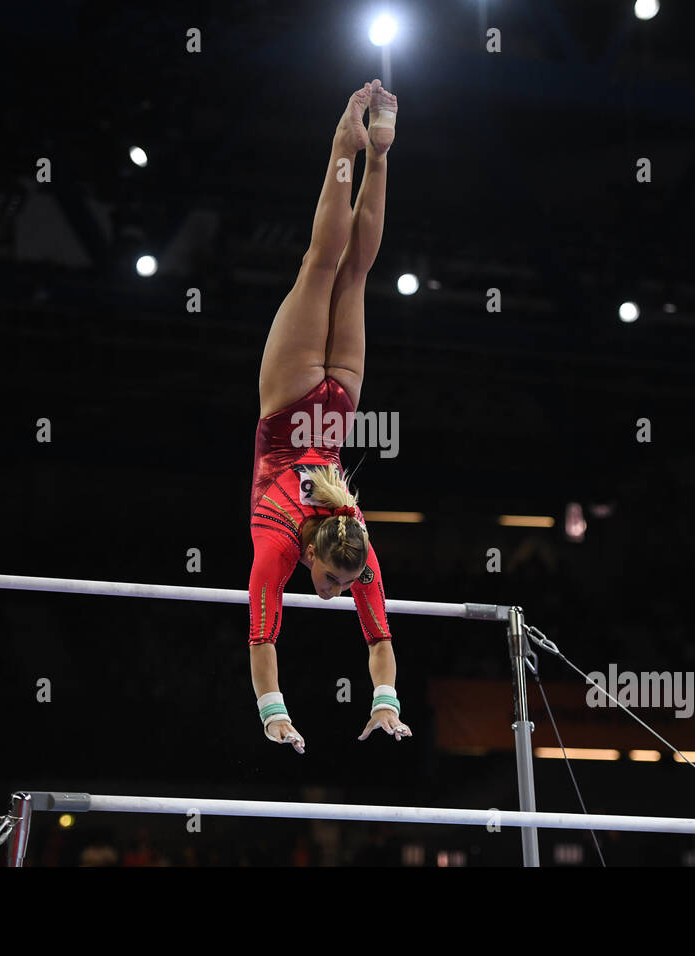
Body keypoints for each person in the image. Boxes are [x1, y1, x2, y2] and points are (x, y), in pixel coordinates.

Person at [247, 79, 409, 755]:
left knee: (346, 271)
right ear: (312, 553)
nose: (338, 592)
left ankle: (377, 152)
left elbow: (377, 639)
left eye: (339, 584)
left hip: (336, 408)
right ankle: (348, 146)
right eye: (338, 582)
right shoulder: (290, 546)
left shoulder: (354, 544)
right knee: (327, 267)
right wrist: (273, 714)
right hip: (292, 410)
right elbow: (262, 635)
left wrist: (386, 703)